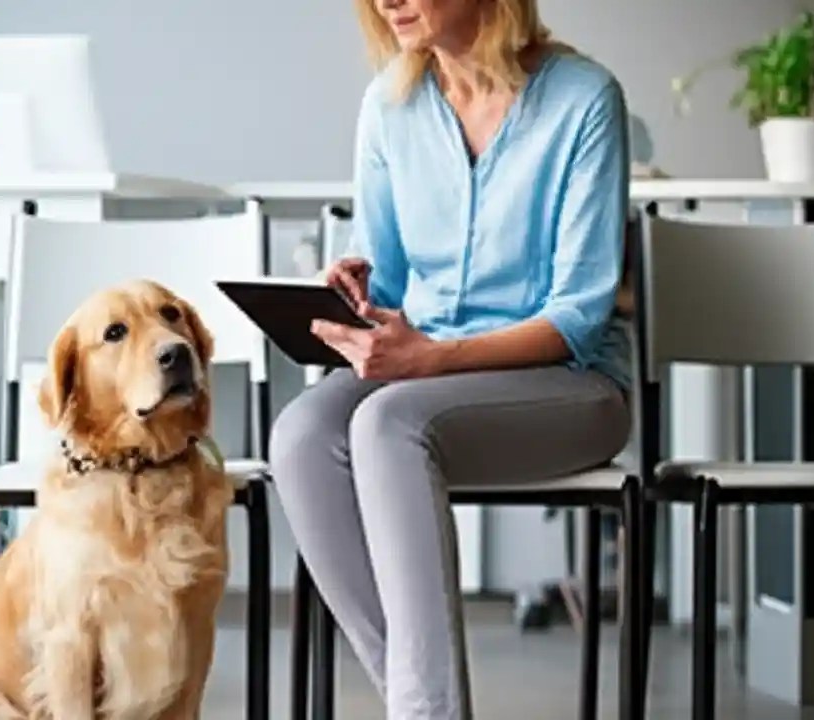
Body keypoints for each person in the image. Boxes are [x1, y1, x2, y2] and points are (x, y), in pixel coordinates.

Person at [268, 0, 633, 718]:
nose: (387, 1)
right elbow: (395, 286)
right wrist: (356, 290)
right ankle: (426, 706)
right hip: (425, 373)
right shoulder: (390, 106)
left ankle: (425, 709)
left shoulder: (585, 100)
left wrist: (431, 360)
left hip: (570, 385)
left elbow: (578, 316)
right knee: (302, 435)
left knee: (388, 425)